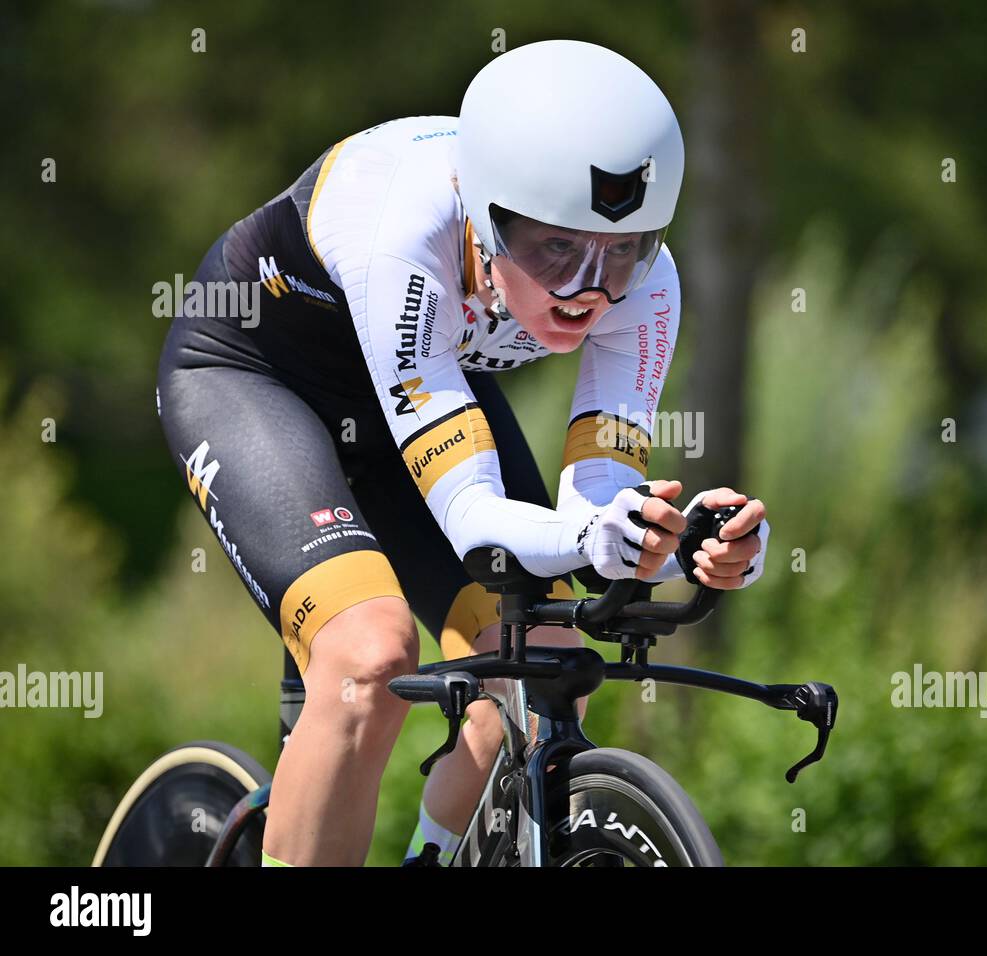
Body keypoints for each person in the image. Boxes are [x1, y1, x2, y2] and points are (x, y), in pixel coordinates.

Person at [156, 38, 769, 867]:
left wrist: (681, 543)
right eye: (556, 247)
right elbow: (476, 520)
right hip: (258, 379)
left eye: (620, 249)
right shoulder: (408, 234)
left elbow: (595, 517)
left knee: (541, 664)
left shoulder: (647, 287)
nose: (590, 288)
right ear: (483, 218)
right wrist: (601, 541)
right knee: (367, 658)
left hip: (415, 393)